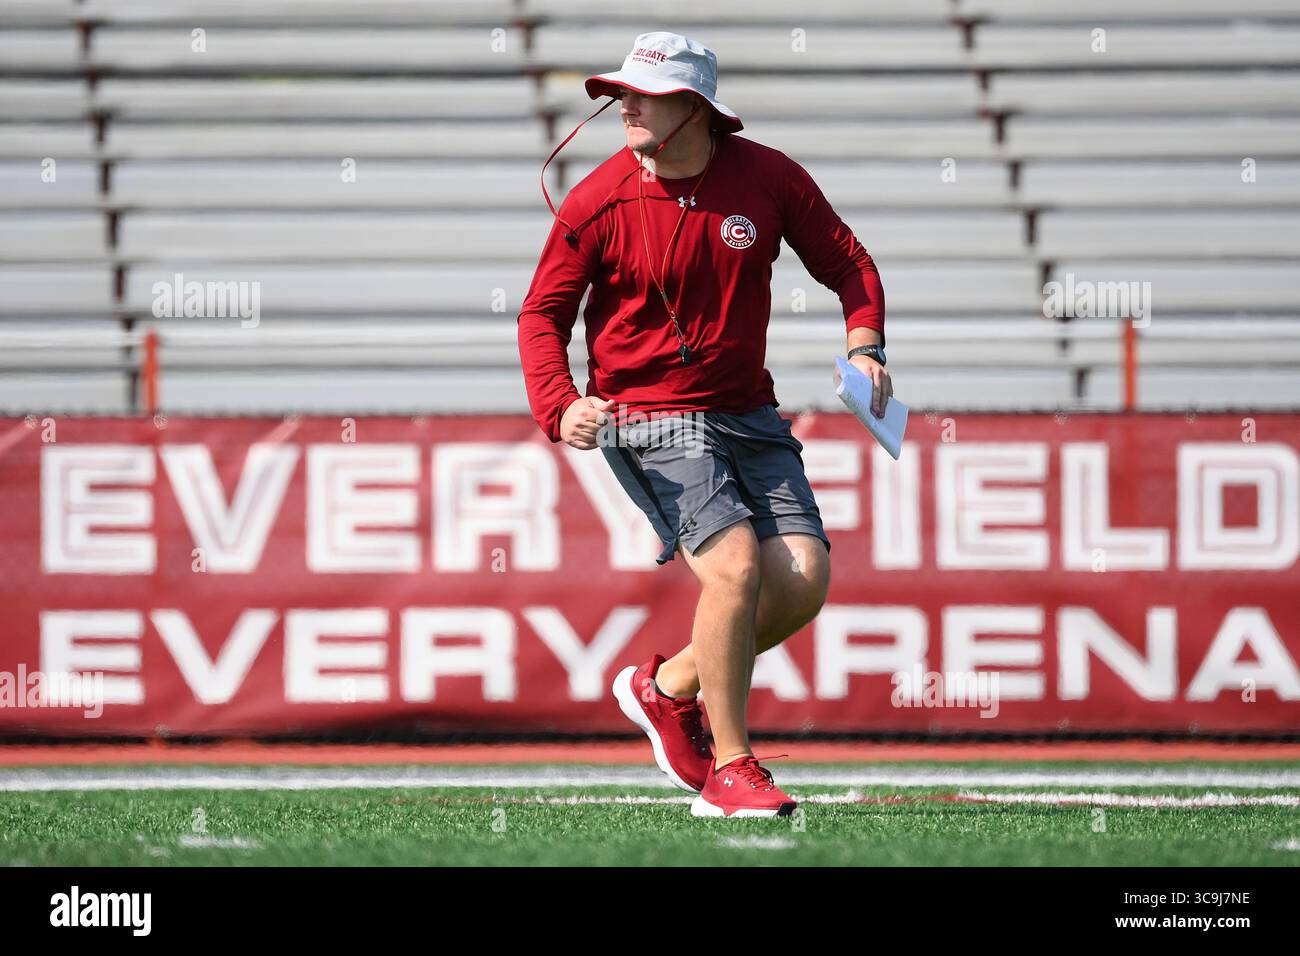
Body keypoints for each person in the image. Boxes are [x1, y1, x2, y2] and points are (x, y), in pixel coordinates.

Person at [517, 32, 890, 817]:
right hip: (647, 415)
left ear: (694, 108)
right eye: (621, 93)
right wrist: (561, 405)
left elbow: (849, 264)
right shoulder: (598, 198)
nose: (624, 106)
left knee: (801, 582)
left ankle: (666, 687)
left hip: (748, 410)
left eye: (643, 95)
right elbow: (542, 313)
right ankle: (732, 769)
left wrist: (866, 347)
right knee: (734, 566)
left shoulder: (769, 177)